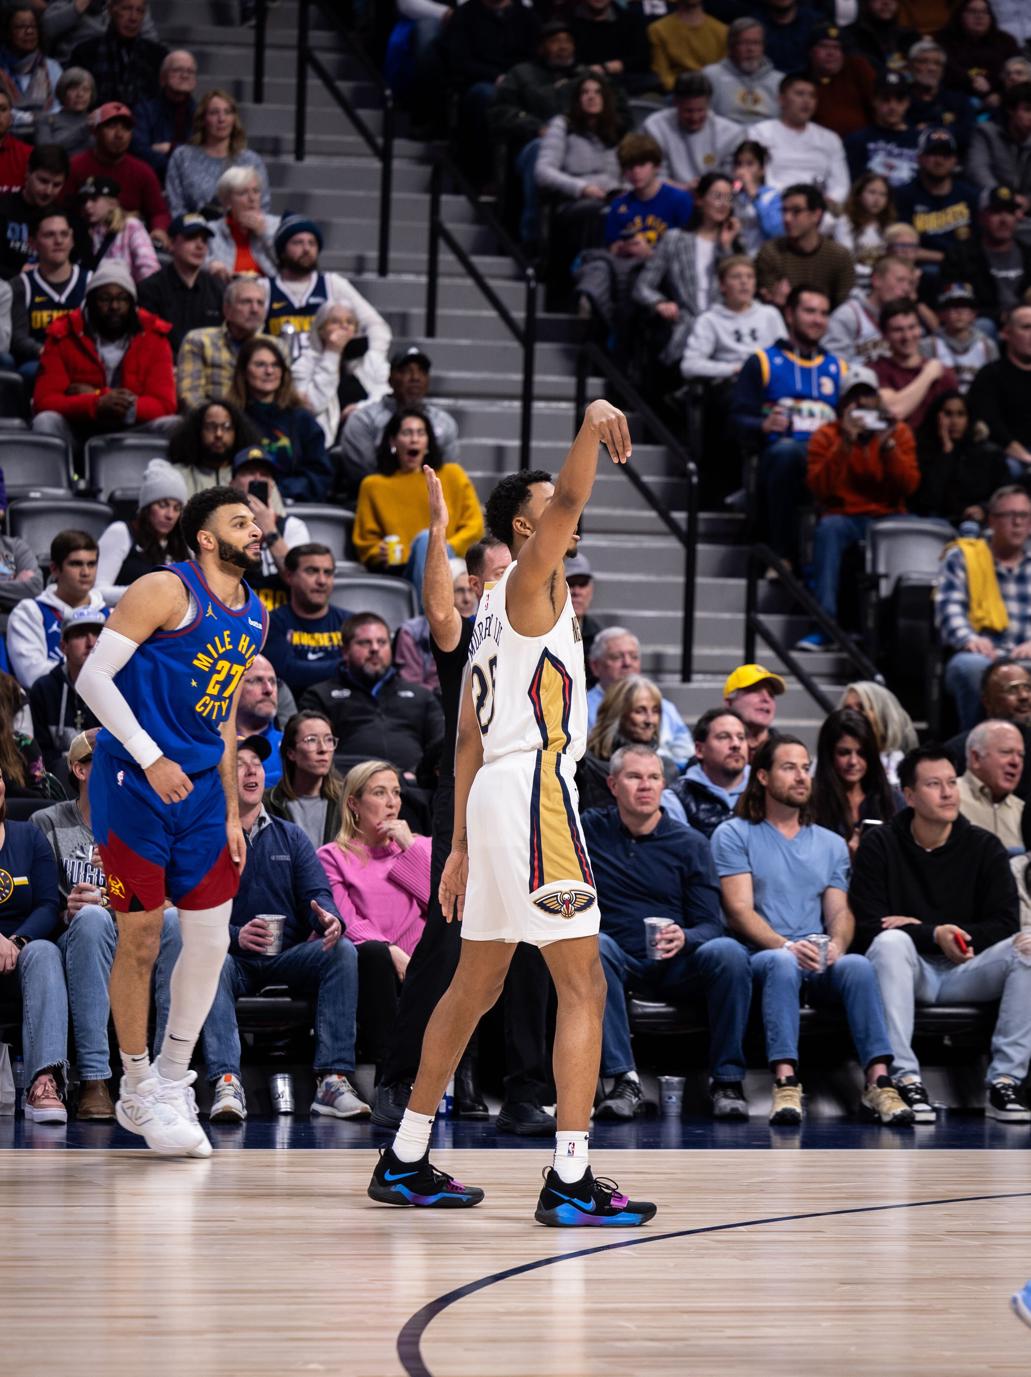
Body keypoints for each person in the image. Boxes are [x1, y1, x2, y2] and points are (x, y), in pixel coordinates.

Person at [368, 400, 659, 1226]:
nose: (573, 504)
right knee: (583, 982)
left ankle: (407, 1156)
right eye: (554, 501)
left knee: (476, 981)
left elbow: (464, 731)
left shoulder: (495, 602)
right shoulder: (536, 578)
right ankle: (569, 1177)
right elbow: (567, 500)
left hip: (495, 792)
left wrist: (459, 844)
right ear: (528, 523)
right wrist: (591, 422)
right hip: (533, 789)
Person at [74, 485, 268, 1157]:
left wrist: (236, 810)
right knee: (143, 937)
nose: (257, 529)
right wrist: (152, 757)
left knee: (212, 939)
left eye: (257, 519)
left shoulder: (256, 616)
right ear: (206, 538)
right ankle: (134, 1083)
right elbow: (92, 680)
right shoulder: (165, 588)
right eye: (240, 521)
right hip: (134, 783)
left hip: (202, 793)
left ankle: (172, 1077)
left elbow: (221, 717)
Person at [157, 734, 368, 1124]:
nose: (252, 769)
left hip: (286, 956)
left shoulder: (291, 836)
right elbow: (184, 906)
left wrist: (328, 917)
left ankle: (332, 1080)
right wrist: (236, 934)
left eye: (256, 762)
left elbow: (318, 892)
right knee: (211, 962)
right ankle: (226, 1079)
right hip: (230, 956)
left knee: (342, 951)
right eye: (239, 763)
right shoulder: (200, 839)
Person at [712, 733, 913, 1127]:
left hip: (815, 956)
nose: (802, 777)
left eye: (806, 768)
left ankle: (879, 1082)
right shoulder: (734, 833)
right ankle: (786, 1082)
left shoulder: (832, 843)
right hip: (761, 956)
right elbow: (738, 911)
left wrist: (837, 943)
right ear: (764, 777)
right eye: (790, 768)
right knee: (780, 964)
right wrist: (785, 945)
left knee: (856, 965)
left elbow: (840, 910)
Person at [850, 743, 1031, 1123]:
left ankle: (1004, 1081)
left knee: (1027, 947)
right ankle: (904, 1078)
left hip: (968, 969)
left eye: (952, 782)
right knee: (889, 941)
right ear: (910, 795)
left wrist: (949, 935)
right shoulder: (879, 846)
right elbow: (868, 927)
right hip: (908, 969)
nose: (949, 793)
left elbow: (1004, 924)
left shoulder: (985, 847)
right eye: (935, 784)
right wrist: (933, 934)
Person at [584, 742, 754, 1121]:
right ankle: (623, 1080)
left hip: (679, 964)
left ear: (664, 785)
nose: (645, 786)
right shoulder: (589, 831)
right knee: (593, 945)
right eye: (634, 777)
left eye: (653, 777)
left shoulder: (690, 843)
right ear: (613, 785)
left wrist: (686, 937)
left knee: (728, 952)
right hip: (619, 961)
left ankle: (727, 1080)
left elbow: (711, 923)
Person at [316, 759, 432, 1068]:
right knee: (373, 956)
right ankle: (387, 1070)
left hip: (418, 960)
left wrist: (410, 846)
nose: (392, 803)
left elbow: (441, 905)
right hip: (369, 961)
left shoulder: (420, 848)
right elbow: (346, 920)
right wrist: (390, 950)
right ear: (354, 803)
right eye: (380, 793)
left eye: (396, 793)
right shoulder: (331, 857)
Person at [797, 364, 919, 650]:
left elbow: (908, 487)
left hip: (889, 517)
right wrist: (846, 444)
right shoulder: (827, 435)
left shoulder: (897, 433)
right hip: (844, 516)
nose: (863, 404)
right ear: (843, 404)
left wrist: (887, 447)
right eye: (855, 398)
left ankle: (898, 632)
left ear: (878, 400)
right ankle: (825, 625)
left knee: (926, 532)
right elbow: (820, 488)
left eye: (868, 397)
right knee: (828, 529)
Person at [731, 284, 844, 564]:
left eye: (823, 313)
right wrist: (762, 424)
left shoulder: (838, 367)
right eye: (809, 311)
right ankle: (781, 556)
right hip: (781, 456)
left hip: (830, 458)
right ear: (790, 315)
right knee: (788, 453)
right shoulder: (763, 361)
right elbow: (736, 418)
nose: (818, 319)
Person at [31, 259, 177, 455]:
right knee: (46, 421)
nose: (114, 306)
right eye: (104, 298)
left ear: (133, 303)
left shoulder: (153, 335)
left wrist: (110, 401)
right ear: (90, 302)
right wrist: (96, 403)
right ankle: (53, 483)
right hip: (79, 428)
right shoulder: (63, 334)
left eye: (122, 298)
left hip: (133, 429)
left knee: (174, 425)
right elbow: (45, 400)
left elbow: (165, 404)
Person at [300, 613, 445, 786]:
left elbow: (441, 746)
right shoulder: (319, 696)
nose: (375, 648)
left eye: (382, 642)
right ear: (345, 651)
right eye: (365, 643)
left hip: (414, 789)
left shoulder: (421, 696)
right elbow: (315, 753)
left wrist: (420, 774)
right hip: (350, 789)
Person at [0, 761, 67, 1122]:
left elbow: (48, 905)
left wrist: (17, 940)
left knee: (45, 951)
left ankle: (44, 1080)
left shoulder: (29, 837)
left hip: (21, 948)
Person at [352, 408, 484, 589]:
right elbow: (366, 541)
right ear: (393, 441)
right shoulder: (373, 485)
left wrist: (443, 547)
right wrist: (378, 552)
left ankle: (428, 613)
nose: (414, 439)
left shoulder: (453, 475)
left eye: (420, 433)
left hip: (451, 562)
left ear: (428, 442)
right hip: (402, 569)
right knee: (425, 540)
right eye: (407, 433)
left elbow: (474, 526)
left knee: (427, 540)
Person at [935, 485, 1031, 730]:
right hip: (981, 654)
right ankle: (979, 746)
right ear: (992, 521)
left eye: (1024, 516)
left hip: (1027, 653)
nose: (1018, 523)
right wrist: (969, 639)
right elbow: (949, 608)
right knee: (968, 668)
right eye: (1010, 516)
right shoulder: (964, 557)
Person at [264, 213, 391, 396]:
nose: (306, 249)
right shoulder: (264, 288)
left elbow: (377, 326)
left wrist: (373, 360)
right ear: (282, 250)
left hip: (326, 373)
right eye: (298, 243)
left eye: (312, 243)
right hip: (277, 376)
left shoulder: (332, 283)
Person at [632, 170, 743, 368]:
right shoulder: (674, 239)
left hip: (725, 329)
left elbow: (738, 293)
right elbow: (643, 287)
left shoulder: (734, 246)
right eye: (717, 196)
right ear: (699, 199)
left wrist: (726, 246)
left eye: (728, 198)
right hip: (683, 326)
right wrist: (660, 303)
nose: (723, 204)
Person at [534, 72, 625, 268]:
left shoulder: (617, 130)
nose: (591, 97)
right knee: (595, 212)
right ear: (577, 99)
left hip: (613, 200)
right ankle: (586, 274)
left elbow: (629, 173)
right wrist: (582, 188)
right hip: (573, 202)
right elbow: (543, 171)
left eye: (597, 92)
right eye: (585, 92)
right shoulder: (563, 125)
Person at [339, 343, 460, 490]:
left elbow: (446, 475)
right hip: (377, 499)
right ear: (390, 379)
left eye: (422, 371)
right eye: (405, 371)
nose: (415, 377)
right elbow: (366, 477)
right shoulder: (363, 420)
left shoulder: (444, 422)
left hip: (429, 502)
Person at [227, 337, 332, 503]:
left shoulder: (302, 419)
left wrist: (277, 491)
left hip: (294, 504)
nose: (269, 371)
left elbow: (319, 475)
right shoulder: (229, 418)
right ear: (244, 371)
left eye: (275, 365)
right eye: (260, 365)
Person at [7, 528, 105, 689]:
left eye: (91, 564)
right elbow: (33, 676)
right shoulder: (29, 612)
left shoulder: (109, 614)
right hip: (50, 709)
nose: (86, 572)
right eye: (76, 564)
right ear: (54, 569)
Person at [585, 625, 693, 764]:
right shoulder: (581, 707)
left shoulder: (665, 707)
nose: (627, 663)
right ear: (595, 666)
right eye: (617, 657)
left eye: (634, 657)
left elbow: (686, 755)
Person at [67, 102, 171, 243]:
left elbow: (159, 212)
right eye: (111, 126)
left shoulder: (143, 171)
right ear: (96, 131)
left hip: (129, 242)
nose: (119, 134)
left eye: (126, 128)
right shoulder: (75, 166)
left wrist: (159, 230)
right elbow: (60, 208)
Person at [165, 87, 270, 220]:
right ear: (203, 119)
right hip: (195, 235)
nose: (222, 119)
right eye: (214, 113)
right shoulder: (182, 157)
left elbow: (263, 206)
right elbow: (175, 207)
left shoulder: (251, 161)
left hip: (240, 233)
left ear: (234, 119)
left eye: (228, 112)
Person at [228, 445, 311, 611]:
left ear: (272, 485)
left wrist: (269, 529)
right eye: (249, 472)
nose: (257, 478)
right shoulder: (220, 527)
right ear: (232, 483)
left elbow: (298, 581)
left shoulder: (293, 527)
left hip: (282, 620)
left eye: (265, 474)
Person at [911, 390, 1009, 530]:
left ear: (969, 418)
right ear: (937, 417)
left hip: (979, 523)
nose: (954, 421)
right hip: (935, 522)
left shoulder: (989, 454)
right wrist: (947, 451)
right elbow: (927, 500)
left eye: (960, 414)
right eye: (948, 414)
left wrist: (983, 509)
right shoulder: (922, 451)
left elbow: (1004, 493)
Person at [749, 73, 850, 208]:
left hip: (819, 210)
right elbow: (752, 177)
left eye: (812, 96)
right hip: (774, 205)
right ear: (782, 99)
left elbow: (841, 185)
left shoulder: (830, 139)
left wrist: (828, 203)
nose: (807, 101)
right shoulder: (760, 133)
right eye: (800, 94)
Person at [577, 674, 677, 811]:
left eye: (655, 711)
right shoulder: (585, 766)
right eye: (640, 711)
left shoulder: (667, 768)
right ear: (617, 714)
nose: (650, 721)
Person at [8, 209, 88, 377]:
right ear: (32, 243)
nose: (58, 241)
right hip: (39, 361)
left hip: (84, 359)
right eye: (49, 235)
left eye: (64, 234)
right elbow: (18, 338)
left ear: (72, 239)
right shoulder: (21, 285)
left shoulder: (90, 281)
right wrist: (48, 352)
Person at [811, 707, 899, 854]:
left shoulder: (891, 799)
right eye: (844, 753)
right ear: (829, 754)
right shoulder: (811, 800)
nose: (853, 761)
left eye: (861, 753)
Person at [176, 276, 273, 411]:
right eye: (246, 302)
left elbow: (283, 398)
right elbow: (190, 396)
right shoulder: (198, 341)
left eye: (260, 303)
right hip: (211, 424)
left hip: (263, 423)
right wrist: (218, 421)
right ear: (227, 309)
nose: (255, 309)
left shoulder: (275, 347)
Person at [264, 544, 349, 698]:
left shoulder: (351, 623)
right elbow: (286, 673)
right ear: (289, 576)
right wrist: (345, 667)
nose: (322, 581)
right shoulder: (271, 623)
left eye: (328, 573)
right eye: (312, 571)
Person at [136, 211, 224, 355]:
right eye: (191, 238)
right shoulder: (150, 289)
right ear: (171, 244)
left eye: (204, 240)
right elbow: (147, 341)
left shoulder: (218, 289)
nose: (200, 246)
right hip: (165, 367)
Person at [943, 659, 1031, 802]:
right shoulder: (956, 751)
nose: (1024, 696)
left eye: (1027, 688)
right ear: (987, 702)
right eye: (1012, 689)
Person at [755, 183, 855, 309]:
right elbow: (767, 304)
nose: (787, 218)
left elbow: (845, 307)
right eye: (784, 211)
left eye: (796, 211)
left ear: (816, 215)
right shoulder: (771, 252)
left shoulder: (839, 256)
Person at [28, 606, 103, 774]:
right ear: (63, 646)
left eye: (97, 634)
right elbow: (41, 754)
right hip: (60, 780)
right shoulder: (43, 689)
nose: (91, 643)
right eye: (81, 634)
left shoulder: (119, 687)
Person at [893, 127, 977, 271]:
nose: (939, 160)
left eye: (946, 155)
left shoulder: (969, 196)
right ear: (919, 158)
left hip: (967, 266)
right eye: (933, 153)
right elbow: (903, 249)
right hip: (922, 269)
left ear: (955, 160)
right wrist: (946, 258)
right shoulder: (903, 196)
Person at [96, 459, 188, 591]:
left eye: (177, 508)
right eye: (163, 505)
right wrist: (146, 593)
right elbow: (98, 591)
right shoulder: (121, 532)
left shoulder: (181, 542)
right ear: (147, 507)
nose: (170, 515)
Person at [265, 709, 347, 849]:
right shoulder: (267, 803)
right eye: (311, 740)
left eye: (328, 740)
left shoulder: (347, 801)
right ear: (291, 753)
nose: (323, 749)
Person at [642, 72, 740, 189]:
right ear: (675, 103)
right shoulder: (654, 127)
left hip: (717, 200)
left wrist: (709, 195)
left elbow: (736, 184)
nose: (695, 117)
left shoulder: (731, 133)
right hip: (670, 199)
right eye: (688, 111)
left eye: (700, 110)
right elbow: (651, 177)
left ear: (709, 104)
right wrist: (685, 189)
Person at [292, 303, 370, 446]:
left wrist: (362, 407)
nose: (344, 327)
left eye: (350, 322)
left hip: (361, 443)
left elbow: (385, 396)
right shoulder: (303, 364)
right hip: (321, 446)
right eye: (335, 321)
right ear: (320, 329)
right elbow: (314, 405)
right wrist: (332, 352)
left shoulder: (368, 361)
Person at [873, 299, 957, 430]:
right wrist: (928, 375)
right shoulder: (875, 371)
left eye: (912, 327)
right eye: (898, 330)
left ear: (920, 329)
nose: (907, 336)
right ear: (884, 335)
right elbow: (894, 411)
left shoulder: (944, 374)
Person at [966, 83, 1031, 249]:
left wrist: (1027, 202)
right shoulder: (986, 132)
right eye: (1027, 110)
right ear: (1011, 110)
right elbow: (977, 170)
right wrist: (1006, 200)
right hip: (992, 207)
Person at [68, 0, 167, 110]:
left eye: (140, 11)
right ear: (111, 10)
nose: (133, 18)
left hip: (142, 125)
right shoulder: (85, 53)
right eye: (126, 9)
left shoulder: (157, 56)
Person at [395, 557, 475, 691]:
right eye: (459, 591)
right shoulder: (411, 634)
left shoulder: (483, 628)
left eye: (471, 590)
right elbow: (413, 690)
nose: (467, 599)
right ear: (442, 594)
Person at [967, 304, 1031, 470]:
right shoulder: (990, 375)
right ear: (1006, 333)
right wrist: (1026, 457)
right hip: (1010, 454)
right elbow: (991, 425)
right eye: (1026, 328)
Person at [669, 706, 750, 837]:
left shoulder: (766, 789)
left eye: (741, 737)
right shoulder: (676, 797)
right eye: (723, 737)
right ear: (699, 750)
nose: (736, 744)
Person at [823, 252, 914, 365]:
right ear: (876, 280)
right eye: (900, 280)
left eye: (910, 283)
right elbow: (833, 365)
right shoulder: (848, 315)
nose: (906, 288)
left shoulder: (907, 318)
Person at [0, 143, 75, 280]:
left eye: (57, 185)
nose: (48, 191)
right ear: (28, 172)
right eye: (43, 181)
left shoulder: (67, 218)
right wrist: (17, 273)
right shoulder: (3, 208)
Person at [166, 398, 260, 498]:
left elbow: (276, 512)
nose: (218, 434)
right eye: (210, 426)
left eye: (226, 427)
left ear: (237, 432)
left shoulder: (257, 477)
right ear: (198, 431)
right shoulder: (176, 476)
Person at [77, 173, 160, 282]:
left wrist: (145, 295)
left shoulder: (131, 226)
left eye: (94, 199)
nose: (87, 206)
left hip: (129, 293)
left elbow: (149, 266)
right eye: (84, 201)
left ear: (113, 203)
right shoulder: (81, 230)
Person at [843, 70, 919, 189]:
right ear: (874, 101)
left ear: (907, 103)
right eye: (885, 99)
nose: (892, 107)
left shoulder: (920, 141)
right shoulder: (856, 141)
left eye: (899, 100)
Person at [957, 719, 1025, 850]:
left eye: (1021, 755)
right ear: (976, 757)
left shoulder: (1023, 812)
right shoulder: (946, 799)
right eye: (1006, 752)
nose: (1016, 762)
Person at [131, 49, 197, 179]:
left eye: (190, 71)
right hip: (154, 180)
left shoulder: (202, 113)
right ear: (162, 78)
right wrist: (178, 167)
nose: (185, 75)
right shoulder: (144, 111)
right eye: (178, 70)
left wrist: (171, 148)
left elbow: (204, 152)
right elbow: (140, 150)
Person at [703, 17, 782, 127]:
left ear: (763, 47)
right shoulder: (711, 76)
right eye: (744, 43)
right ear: (731, 47)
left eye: (756, 43)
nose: (750, 49)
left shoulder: (779, 81)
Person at [937, 0, 1018, 105]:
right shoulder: (943, 40)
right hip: (957, 98)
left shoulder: (1006, 41)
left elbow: (1018, 69)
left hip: (1001, 98)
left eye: (985, 12)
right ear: (960, 15)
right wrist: (970, 79)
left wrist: (1001, 95)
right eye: (972, 11)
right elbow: (945, 68)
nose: (979, 16)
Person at [839, 680, 918, 787]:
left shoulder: (902, 765)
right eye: (847, 709)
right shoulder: (829, 760)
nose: (853, 714)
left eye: (862, 708)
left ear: (883, 715)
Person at [205, 165, 279, 279]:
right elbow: (195, 261)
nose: (252, 198)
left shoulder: (276, 225)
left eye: (256, 191)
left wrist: (264, 235)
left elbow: (290, 266)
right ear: (227, 201)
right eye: (243, 193)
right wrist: (209, 265)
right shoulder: (212, 231)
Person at [805, 20, 876, 140]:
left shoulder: (857, 68)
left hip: (861, 146)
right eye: (824, 46)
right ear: (811, 52)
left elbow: (879, 105)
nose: (831, 53)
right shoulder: (801, 79)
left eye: (836, 48)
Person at [0, 5, 61, 138]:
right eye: (21, 27)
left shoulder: (51, 67)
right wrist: (30, 118)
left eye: (33, 26)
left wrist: (38, 120)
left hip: (47, 134)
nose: (29, 32)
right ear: (8, 32)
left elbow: (60, 107)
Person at [927, 281, 998, 395]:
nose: (959, 312)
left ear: (973, 314)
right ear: (941, 314)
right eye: (953, 306)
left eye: (964, 306)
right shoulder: (929, 344)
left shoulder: (987, 345)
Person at [829, 175, 896, 296]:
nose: (877, 199)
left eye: (883, 194)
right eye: (872, 192)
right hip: (852, 281)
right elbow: (847, 260)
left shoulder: (888, 226)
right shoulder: (845, 222)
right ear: (859, 194)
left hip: (880, 282)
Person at [647, 0, 728, 93]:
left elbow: (723, 73)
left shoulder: (722, 31)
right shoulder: (658, 30)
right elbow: (663, 74)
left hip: (712, 91)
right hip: (676, 93)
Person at [905, 38, 972, 148]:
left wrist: (928, 128)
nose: (932, 68)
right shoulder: (899, 99)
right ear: (910, 66)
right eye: (923, 62)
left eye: (937, 63)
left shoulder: (958, 100)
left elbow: (967, 136)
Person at [233, 653, 282, 788]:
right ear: (232, 688)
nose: (269, 690)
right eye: (256, 681)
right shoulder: (214, 746)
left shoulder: (293, 748)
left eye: (273, 681)